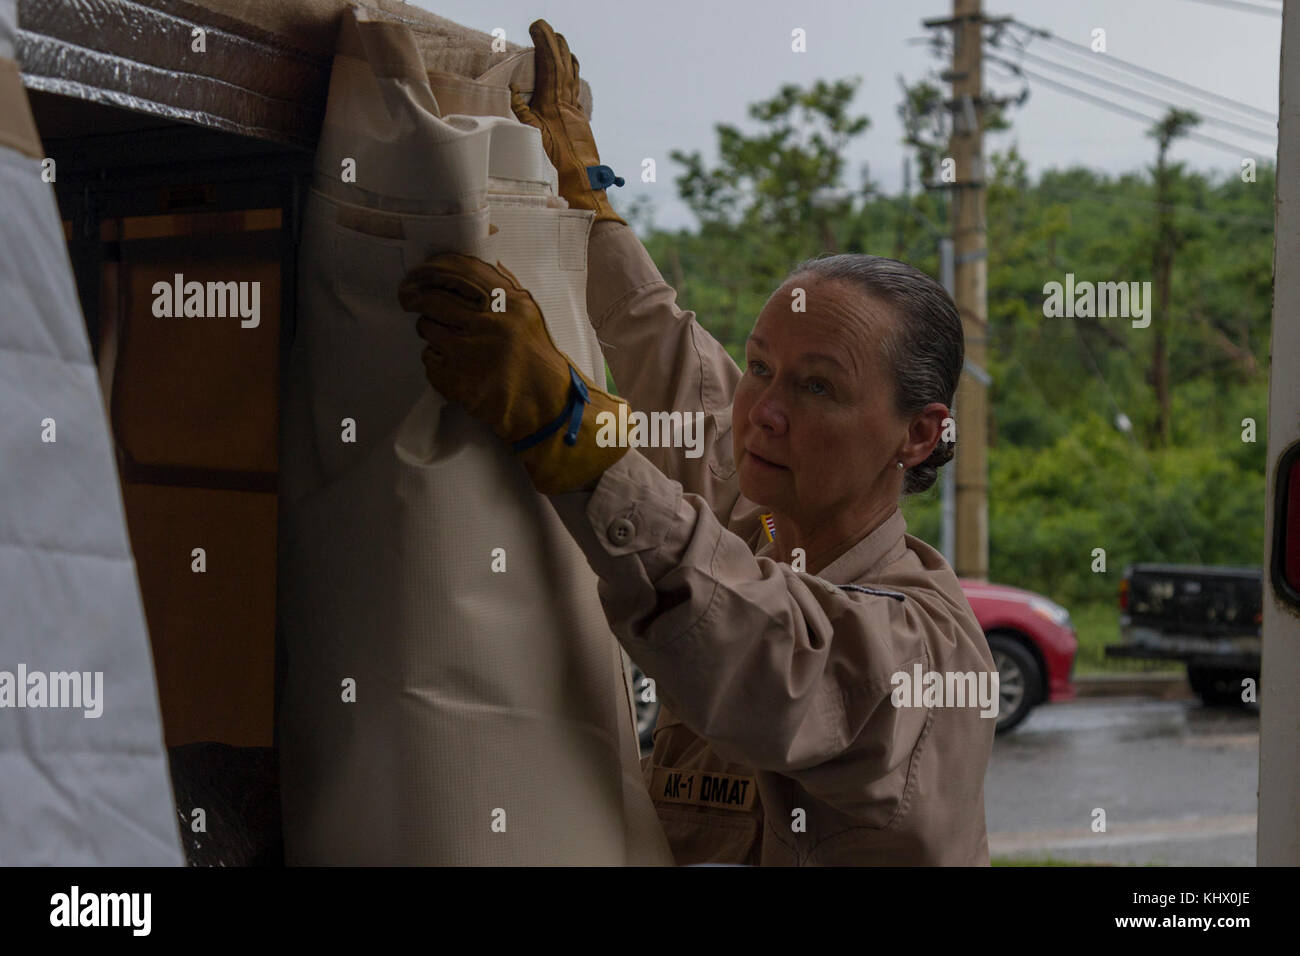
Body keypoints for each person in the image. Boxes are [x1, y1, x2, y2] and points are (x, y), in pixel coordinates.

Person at [400, 19, 998, 865]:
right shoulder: (765, 517)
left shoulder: (926, 651)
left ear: (919, 433)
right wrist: (589, 203)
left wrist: (568, 429)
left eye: (818, 386)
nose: (765, 411)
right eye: (761, 366)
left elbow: (765, 651)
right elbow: (673, 357)